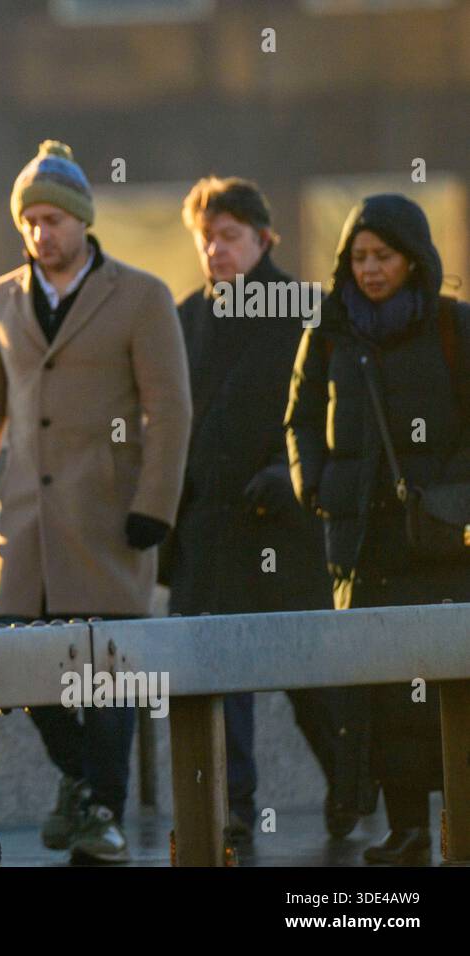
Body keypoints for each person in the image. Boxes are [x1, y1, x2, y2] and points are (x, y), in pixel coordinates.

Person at [0, 140, 191, 864]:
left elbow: (171, 409)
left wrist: (155, 503)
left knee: (107, 678)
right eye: (30, 220)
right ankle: (83, 788)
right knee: (25, 669)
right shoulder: (1, 297)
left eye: (54, 219)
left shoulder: (142, 295)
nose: (41, 233)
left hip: (109, 520)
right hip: (27, 532)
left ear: (82, 221)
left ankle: (99, 813)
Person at [168, 175, 364, 854]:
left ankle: (349, 785)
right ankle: (232, 807)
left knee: (307, 676)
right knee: (217, 679)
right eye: (206, 238)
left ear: (263, 238)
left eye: (229, 237)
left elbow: (340, 415)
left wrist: (294, 479)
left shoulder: (310, 309)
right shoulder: (186, 316)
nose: (216, 250)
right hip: (210, 526)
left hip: (288, 523)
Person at [286, 193, 470, 865]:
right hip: (362, 548)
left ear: (413, 259)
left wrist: (449, 499)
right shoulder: (329, 333)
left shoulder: (454, 327)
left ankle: (462, 824)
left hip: (446, 544)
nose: (369, 269)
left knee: (451, 691)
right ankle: (408, 828)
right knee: (383, 697)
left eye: (382, 256)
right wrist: (318, 486)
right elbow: (301, 420)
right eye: (358, 257)